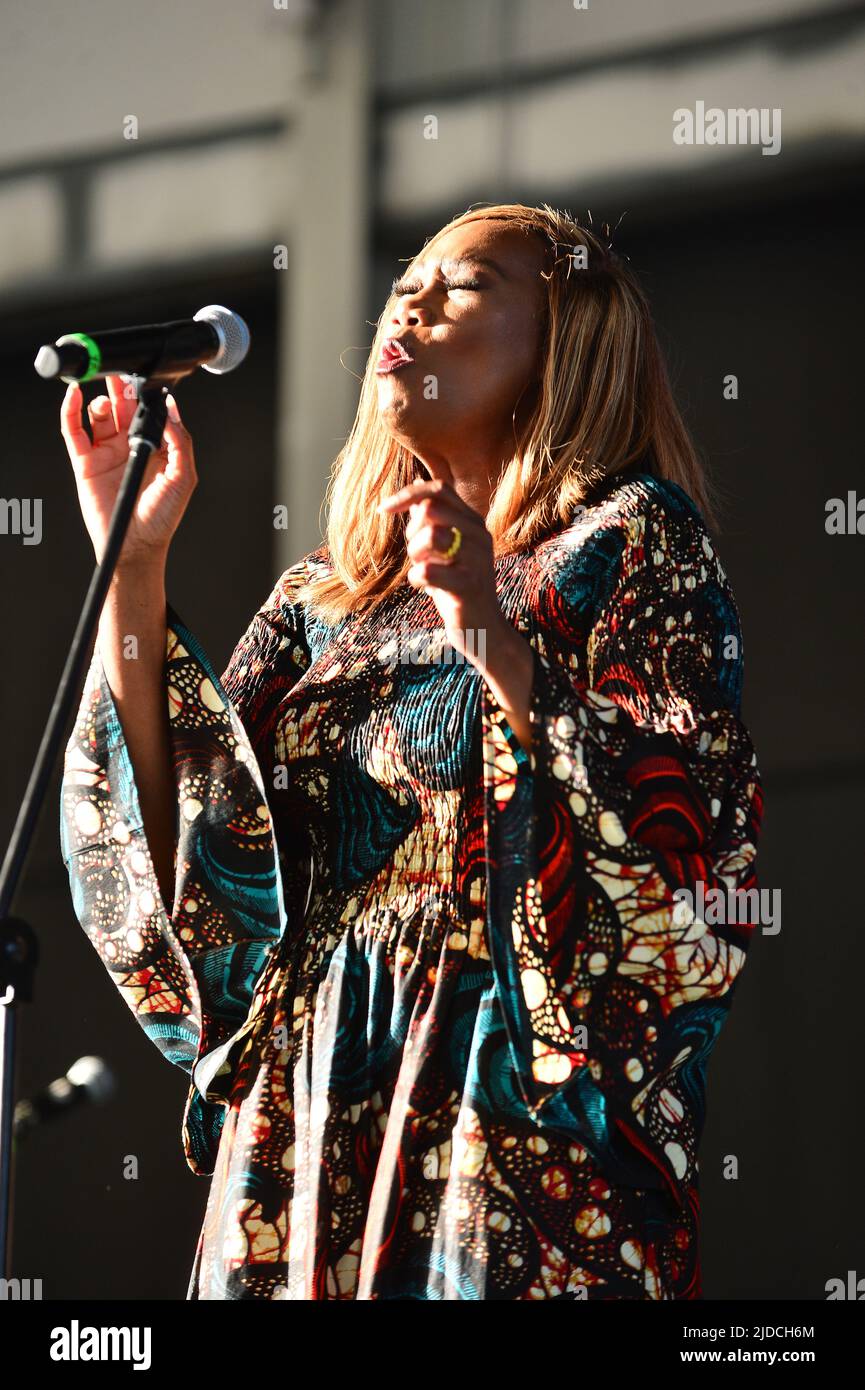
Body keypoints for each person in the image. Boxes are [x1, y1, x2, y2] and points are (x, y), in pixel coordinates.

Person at [58, 202, 763, 1301]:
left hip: (509, 1103)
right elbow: (187, 843)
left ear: (567, 346)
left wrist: (490, 632)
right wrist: (132, 561)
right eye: (408, 281)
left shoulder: (630, 540)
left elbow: (685, 867)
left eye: (467, 283)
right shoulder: (320, 599)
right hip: (312, 1102)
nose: (413, 298)